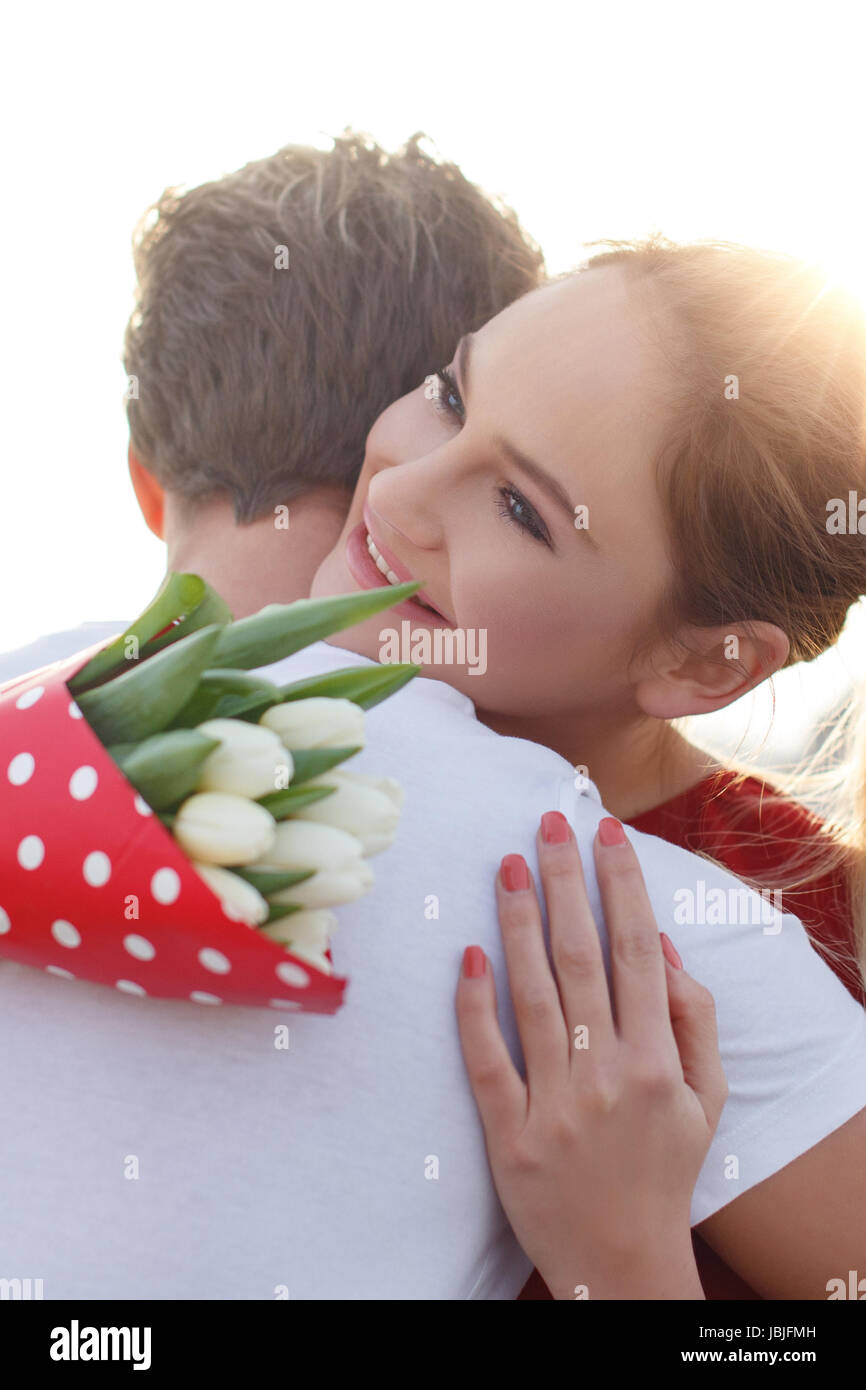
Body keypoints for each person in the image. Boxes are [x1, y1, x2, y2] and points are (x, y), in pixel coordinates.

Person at [306, 235, 866, 1297]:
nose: (397, 494)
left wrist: (622, 1262)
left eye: (520, 509)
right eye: (448, 396)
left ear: (702, 662)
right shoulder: (277, 702)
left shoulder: (780, 941)